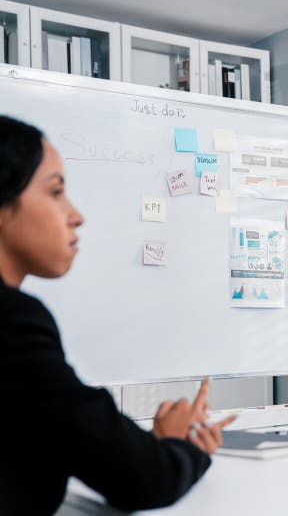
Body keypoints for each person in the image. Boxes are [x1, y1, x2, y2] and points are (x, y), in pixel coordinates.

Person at [0, 115, 236, 514]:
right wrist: (180, 446)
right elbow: (142, 479)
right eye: (56, 192)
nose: (77, 215)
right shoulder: (13, 322)